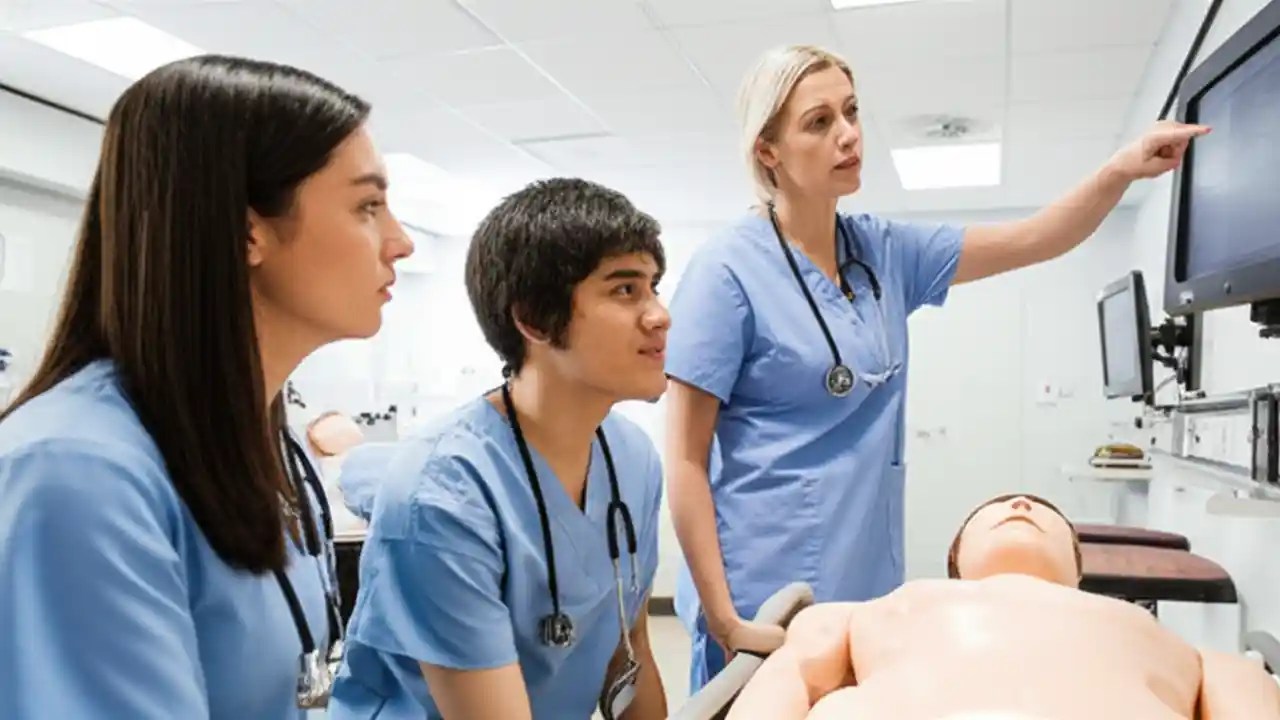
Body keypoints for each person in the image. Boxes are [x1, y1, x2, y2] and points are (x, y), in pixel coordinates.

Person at [662, 43, 1212, 689]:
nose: (849, 135)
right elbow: (685, 459)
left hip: (865, 583)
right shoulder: (725, 273)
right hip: (760, 589)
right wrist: (726, 620)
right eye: (819, 122)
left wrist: (1119, 171)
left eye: (852, 111)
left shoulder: (885, 251)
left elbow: (1038, 237)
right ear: (768, 150)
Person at [0, 55, 413, 719]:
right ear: (247, 230)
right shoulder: (78, 473)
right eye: (367, 206)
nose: (400, 243)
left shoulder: (264, 449)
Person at [329, 178, 671, 720]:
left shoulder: (632, 461)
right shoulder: (441, 493)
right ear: (533, 318)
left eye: (653, 287)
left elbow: (628, 658)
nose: (659, 315)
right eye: (625, 290)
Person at [726, 493, 1280, 719]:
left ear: (1077, 571)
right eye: (994, 510)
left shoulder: (1154, 635)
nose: (1019, 503)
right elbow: (789, 677)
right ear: (956, 561)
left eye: (1042, 511)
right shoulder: (889, 607)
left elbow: (1250, 699)